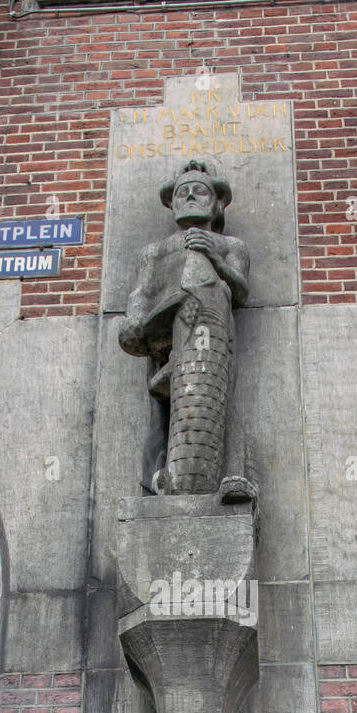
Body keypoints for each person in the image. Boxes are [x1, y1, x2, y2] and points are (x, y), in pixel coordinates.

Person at [119, 159, 253, 499]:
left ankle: (228, 475)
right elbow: (142, 292)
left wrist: (217, 260)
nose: (190, 198)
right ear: (173, 202)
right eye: (183, 193)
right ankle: (154, 482)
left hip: (211, 329)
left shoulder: (230, 245)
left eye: (199, 192)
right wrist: (134, 321)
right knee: (160, 415)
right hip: (165, 333)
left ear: (216, 203)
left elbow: (241, 290)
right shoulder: (156, 251)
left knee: (219, 399)